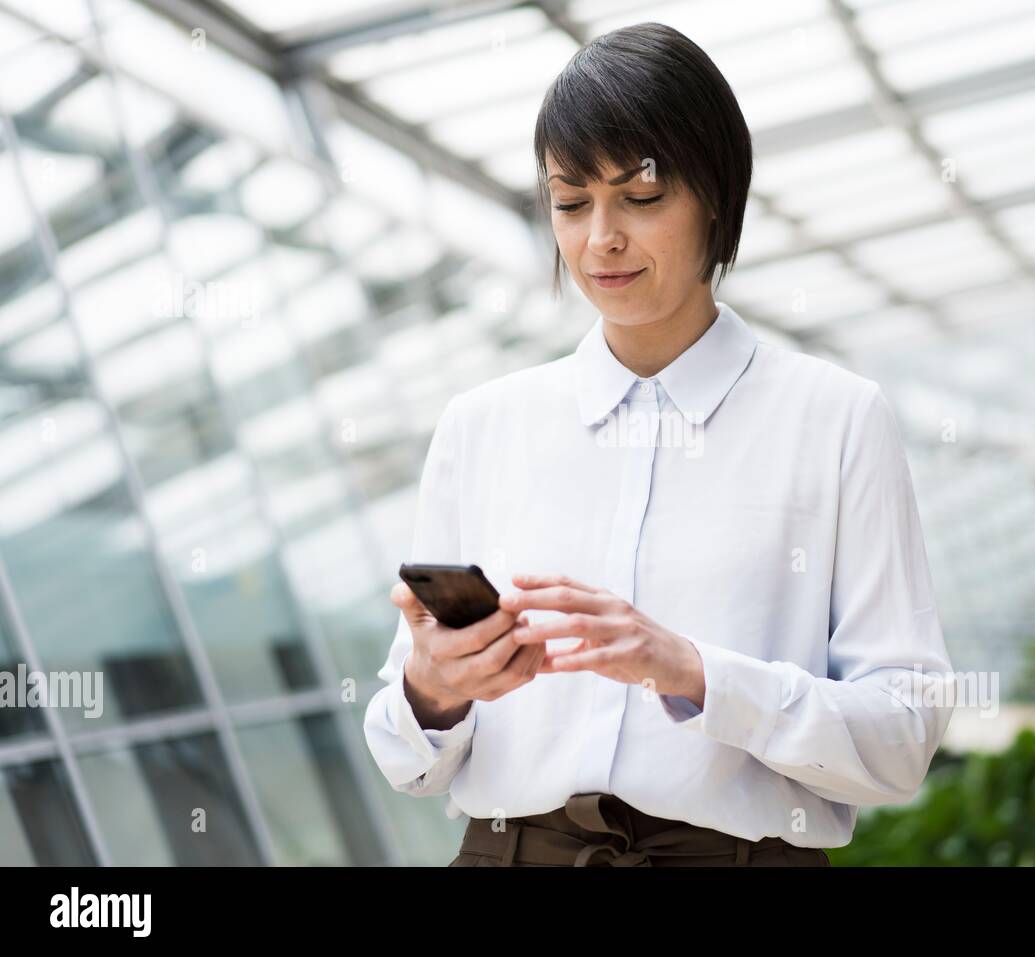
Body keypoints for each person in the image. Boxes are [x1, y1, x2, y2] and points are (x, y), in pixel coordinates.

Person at [364, 21, 954, 867]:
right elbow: (404, 756)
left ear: (715, 194)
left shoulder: (836, 420)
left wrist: (693, 671)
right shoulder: (481, 424)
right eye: (570, 202)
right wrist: (436, 688)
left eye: (639, 198)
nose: (599, 237)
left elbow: (902, 736)